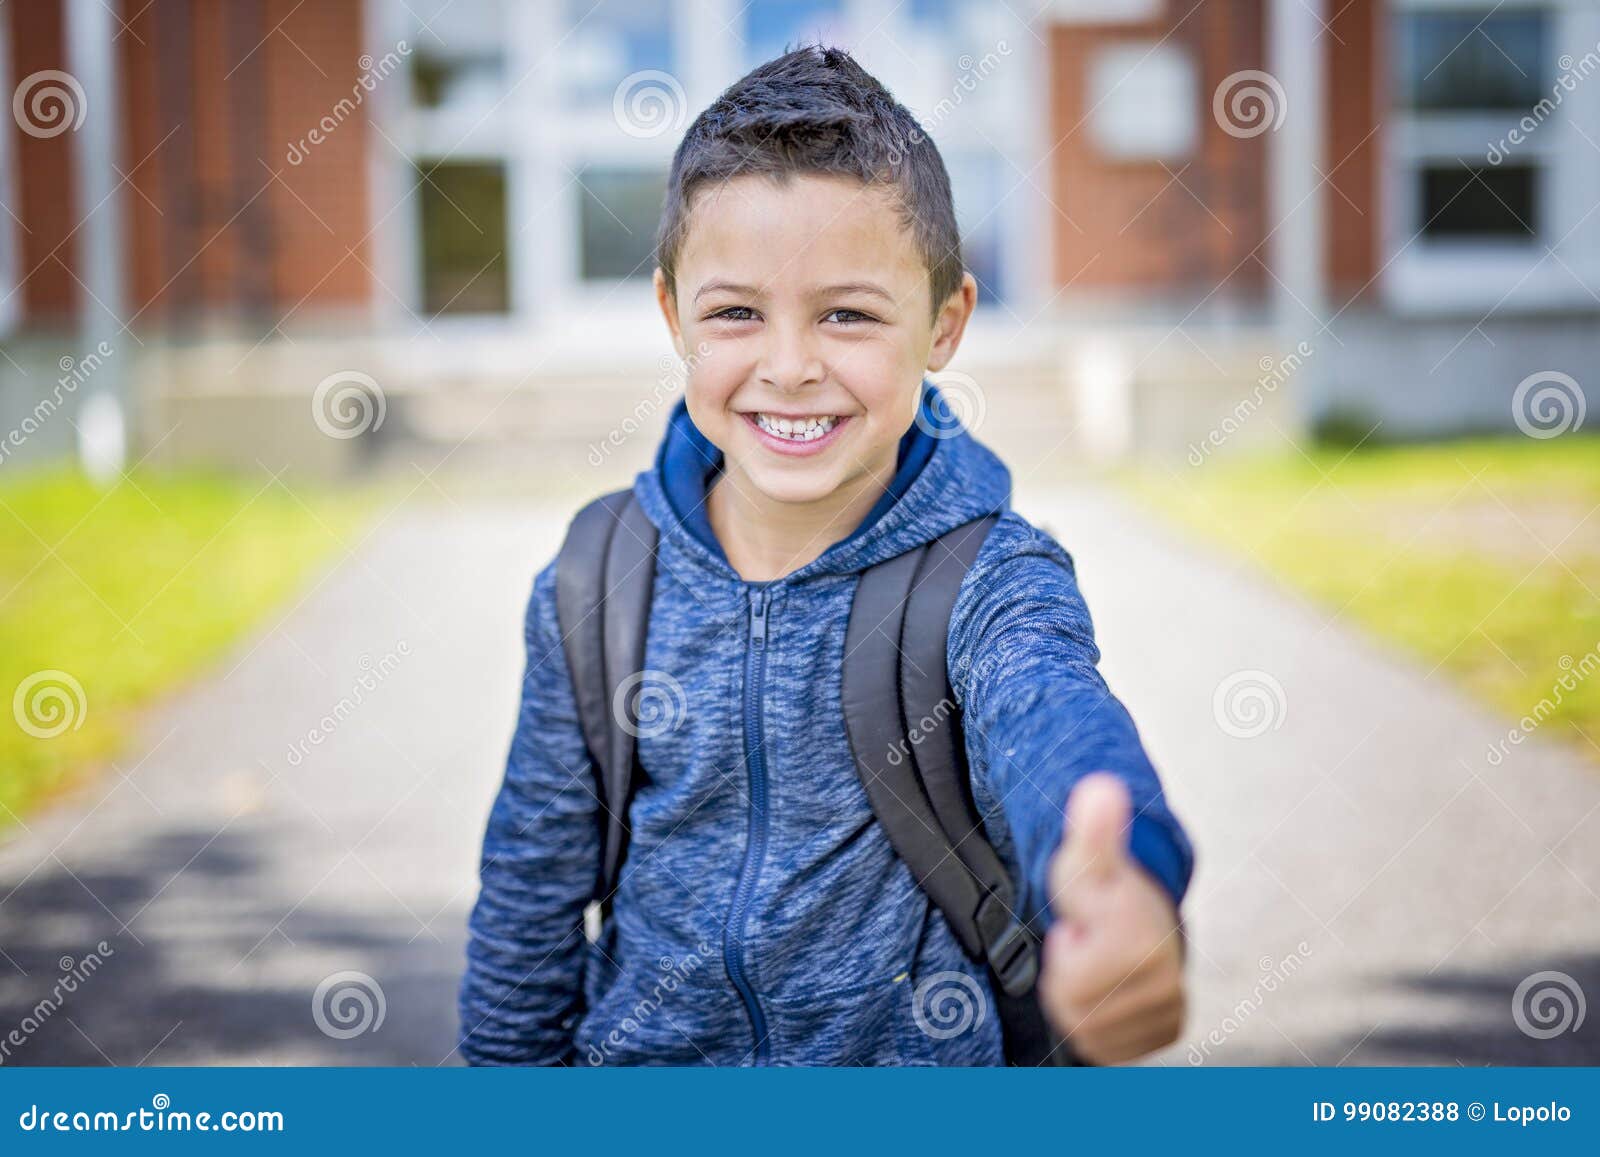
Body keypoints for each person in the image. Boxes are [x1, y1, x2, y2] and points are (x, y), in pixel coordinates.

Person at [458, 44, 1195, 1067]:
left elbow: (1057, 725)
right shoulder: (597, 578)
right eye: (735, 313)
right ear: (673, 315)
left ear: (943, 325)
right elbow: (526, 908)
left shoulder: (990, 579)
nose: (791, 366)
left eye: (847, 313)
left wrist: (1122, 875)